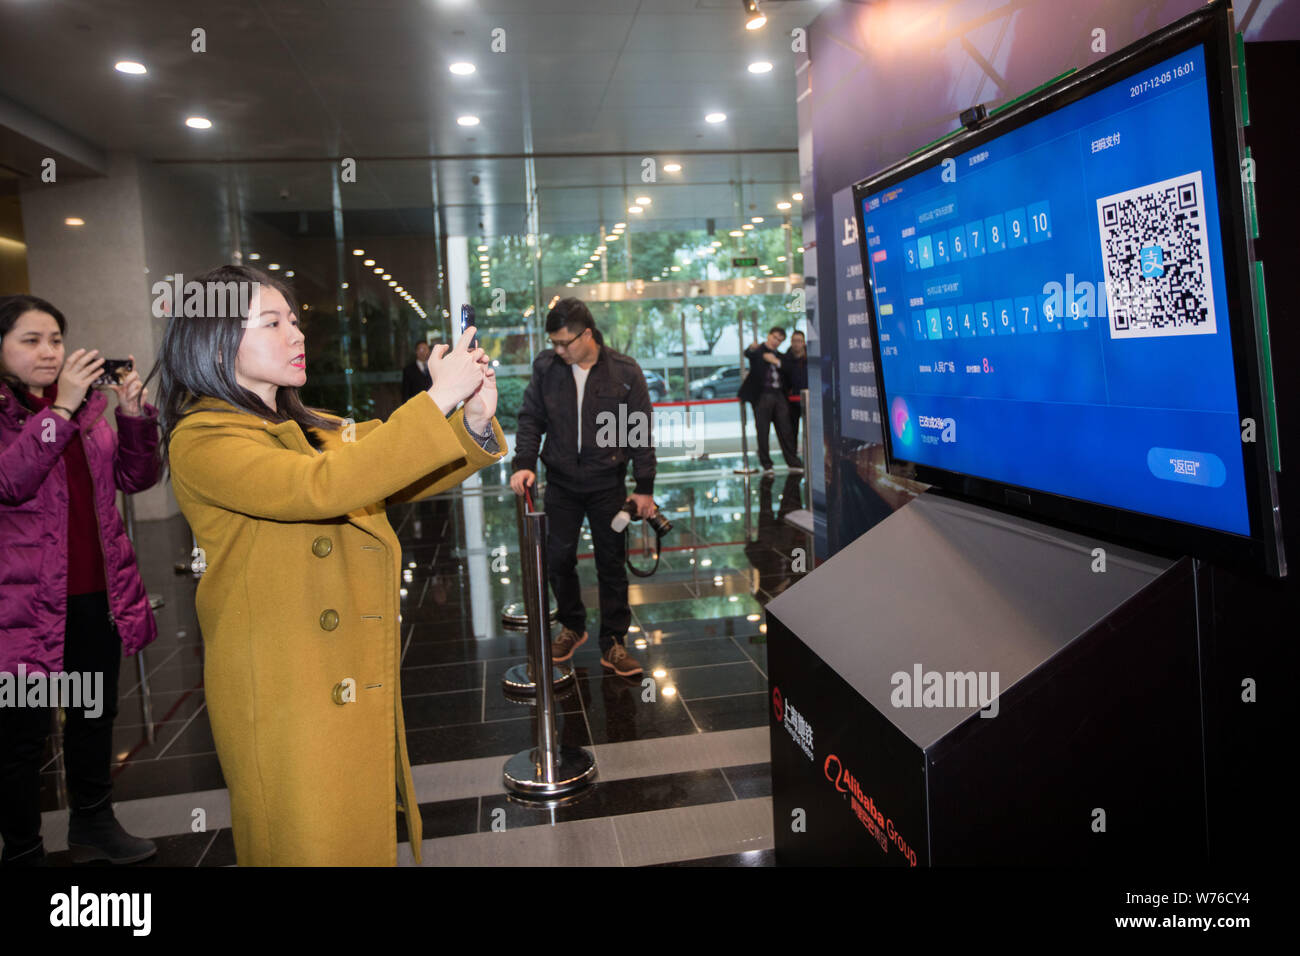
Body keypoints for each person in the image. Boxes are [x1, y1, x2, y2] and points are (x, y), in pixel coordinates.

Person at [151, 265, 504, 866]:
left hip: (328, 676)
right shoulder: (203, 439)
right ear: (214, 341)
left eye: (294, 321)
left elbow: (380, 463)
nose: (296, 336)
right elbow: (322, 486)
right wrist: (436, 398)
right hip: (282, 690)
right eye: (272, 323)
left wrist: (468, 419)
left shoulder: (298, 424)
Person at [0, 294, 162, 867]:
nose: (49, 352)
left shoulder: (90, 408)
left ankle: (93, 820)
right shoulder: (22, 413)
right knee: (23, 734)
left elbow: (135, 478)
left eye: (56, 340)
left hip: (96, 593)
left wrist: (135, 414)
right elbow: (11, 481)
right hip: (23, 605)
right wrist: (60, 410)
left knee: (93, 713)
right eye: (31, 340)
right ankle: (21, 848)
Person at [509, 298, 655, 678]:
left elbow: (639, 432)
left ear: (587, 334)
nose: (558, 350)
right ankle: (572, 625)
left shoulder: (624, 372)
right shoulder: (547, 368)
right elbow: (530, 418)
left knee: (611, 561)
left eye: (564, 343)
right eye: (554, 343)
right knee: (557, 559)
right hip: (560, 483)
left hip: (608, 485)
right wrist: (523, 463)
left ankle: (613, 641)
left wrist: (644, 487)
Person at [738, 326, 804, 475]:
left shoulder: (781, 356)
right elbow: (749, 353)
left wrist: (775, 361)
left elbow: (788, 369)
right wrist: (752, 348)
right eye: (774, 338)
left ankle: (792, 461)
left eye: (780, 340)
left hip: (779, 395)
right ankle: (767, 464)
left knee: (785, 429)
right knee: (763, 430)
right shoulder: (758, 351)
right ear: (768, 336)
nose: (776, 342)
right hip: (762, 396)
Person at [783, 330, 808, 448]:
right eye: (794, 341)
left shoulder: (811, 359)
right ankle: (794, 458)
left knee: (810, 430)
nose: (796, 344)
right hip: (792, 401)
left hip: (809, 400)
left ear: (804, 342)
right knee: (792, 431)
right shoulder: (786, 359)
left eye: (799, 341)